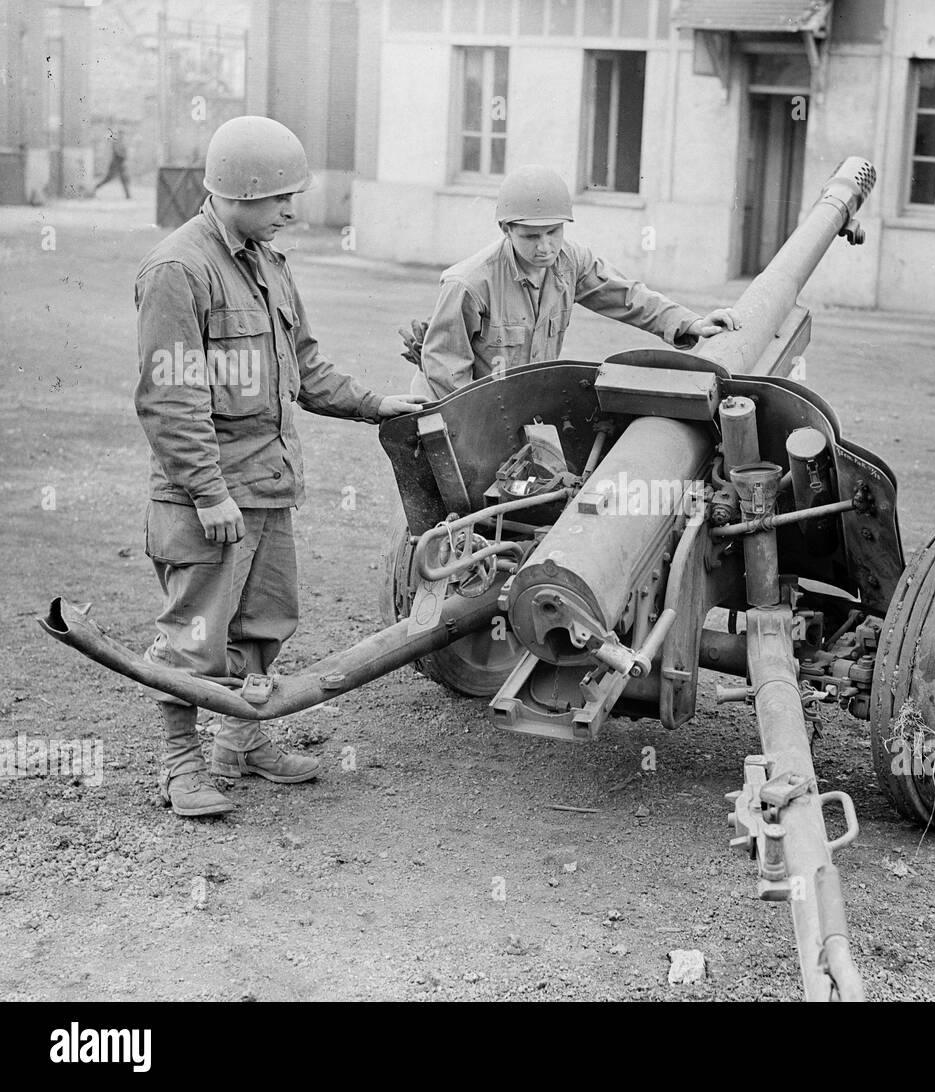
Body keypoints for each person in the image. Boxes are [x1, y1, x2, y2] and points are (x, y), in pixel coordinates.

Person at [134, 115, 428, 817]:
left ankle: (244, 742)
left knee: (264, 624)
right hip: (207, 494)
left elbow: (306, 367)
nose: (292, 210)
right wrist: (207, 493)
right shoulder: (179, 270)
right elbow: (169, 398)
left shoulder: (268, 261)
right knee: (195, 638)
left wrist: (376, 403)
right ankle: (181, 768)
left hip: (268, 485)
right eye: (280, 198)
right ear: (238, 193)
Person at [414, 164, 739, 399]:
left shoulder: (570, 262)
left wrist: (691, 322)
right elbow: (447, 372)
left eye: (553, 232)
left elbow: (628, 296)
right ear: (506, 230)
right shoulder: (469, 284)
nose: (545, 247)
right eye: (531, 236)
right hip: (464, 408)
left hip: (525, 401)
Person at [93, 127, 131, 199]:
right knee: (108, 179)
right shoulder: (116, 143)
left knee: (124, 180)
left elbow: (125, 154)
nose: (122, 136)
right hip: (116, 164)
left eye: (123, 134)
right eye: (121, 134)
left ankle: (128, 196)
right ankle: (95, 188)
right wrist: (123, 155)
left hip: (121, 164)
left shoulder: (123, 143)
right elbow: (119, 153)